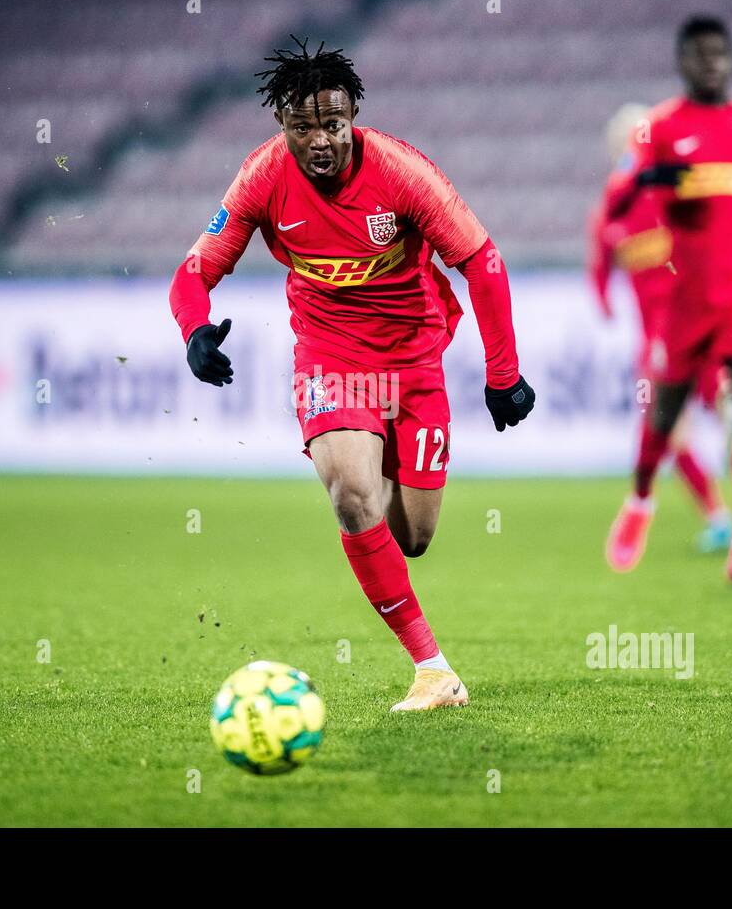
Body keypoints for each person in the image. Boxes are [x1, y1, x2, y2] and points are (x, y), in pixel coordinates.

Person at [169, 38, 535, 710]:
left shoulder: (403, 175)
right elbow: (195, 271)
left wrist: (502, 374)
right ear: (281, 125)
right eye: (301, 126)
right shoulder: (261, 177)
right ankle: (432, 669)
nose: (317, 141)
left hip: (414, 356)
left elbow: (481, 261)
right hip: (330, 355)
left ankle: (381, 481)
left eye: (330, 124)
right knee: (351, 493)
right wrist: (194, 331)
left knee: (412, 537)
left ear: (353, 116)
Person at [603, 16, 732, 587]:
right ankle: (639, 502)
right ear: (682, 61)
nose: (712, 63)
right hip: (686, 299)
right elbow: (614, 201)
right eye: (700, 54)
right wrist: (652, 179)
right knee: (663, 416)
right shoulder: (657, 128)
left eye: (721, 53)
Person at [588, 102, 732, 553]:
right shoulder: (612, 213)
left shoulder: (678, 194)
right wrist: (605, 300)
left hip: (700, 323)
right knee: (669, 428)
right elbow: (598, 270)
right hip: (655, 338)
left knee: (727, 407)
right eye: (623, 140)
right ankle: (719, 516)